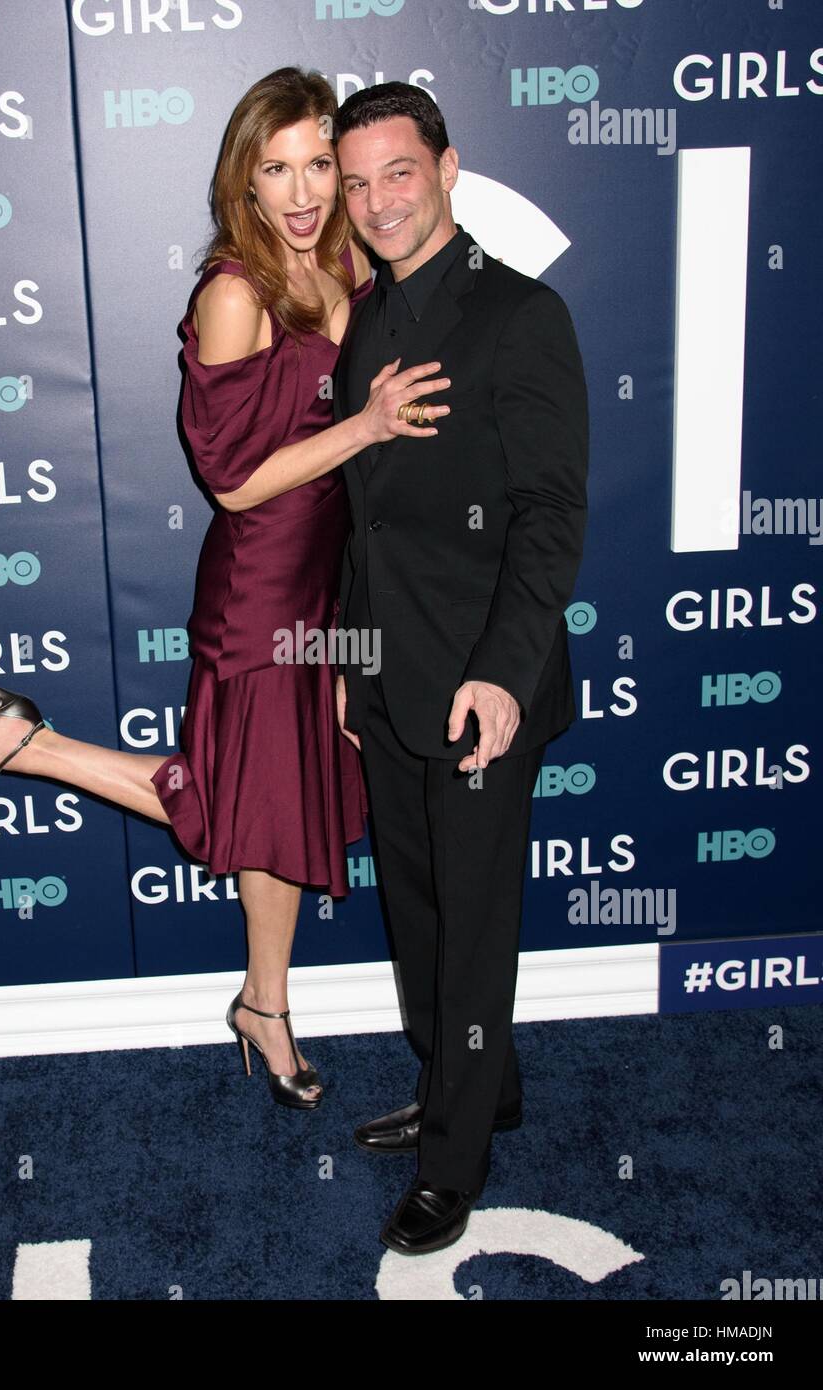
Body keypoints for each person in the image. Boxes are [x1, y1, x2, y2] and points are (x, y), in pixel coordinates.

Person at [0, 68, 452, 1112]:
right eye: (275, 168)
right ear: (242, 180)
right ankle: (24, 745)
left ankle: (262, 1001)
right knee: (233, 809)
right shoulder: (234, 294)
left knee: (276, 809)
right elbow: (233, 482)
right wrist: (365, 425)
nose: (302, 191)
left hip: (334, 583)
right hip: (261, 588)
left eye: (318, 164)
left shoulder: (350, 270)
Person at [331, 83, 589, 1254]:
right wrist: (345, 658)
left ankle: (455, 1156)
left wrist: (496, 674)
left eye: (397, 171)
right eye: (354, 182)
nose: (377, 201)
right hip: (386, 672)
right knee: (420, 912)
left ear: (445, 166)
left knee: (474, 924)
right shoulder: (363, 321)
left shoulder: (519, 316)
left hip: (482, 684)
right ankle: (475, 1087)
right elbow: (362, 516)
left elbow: (546, 515)